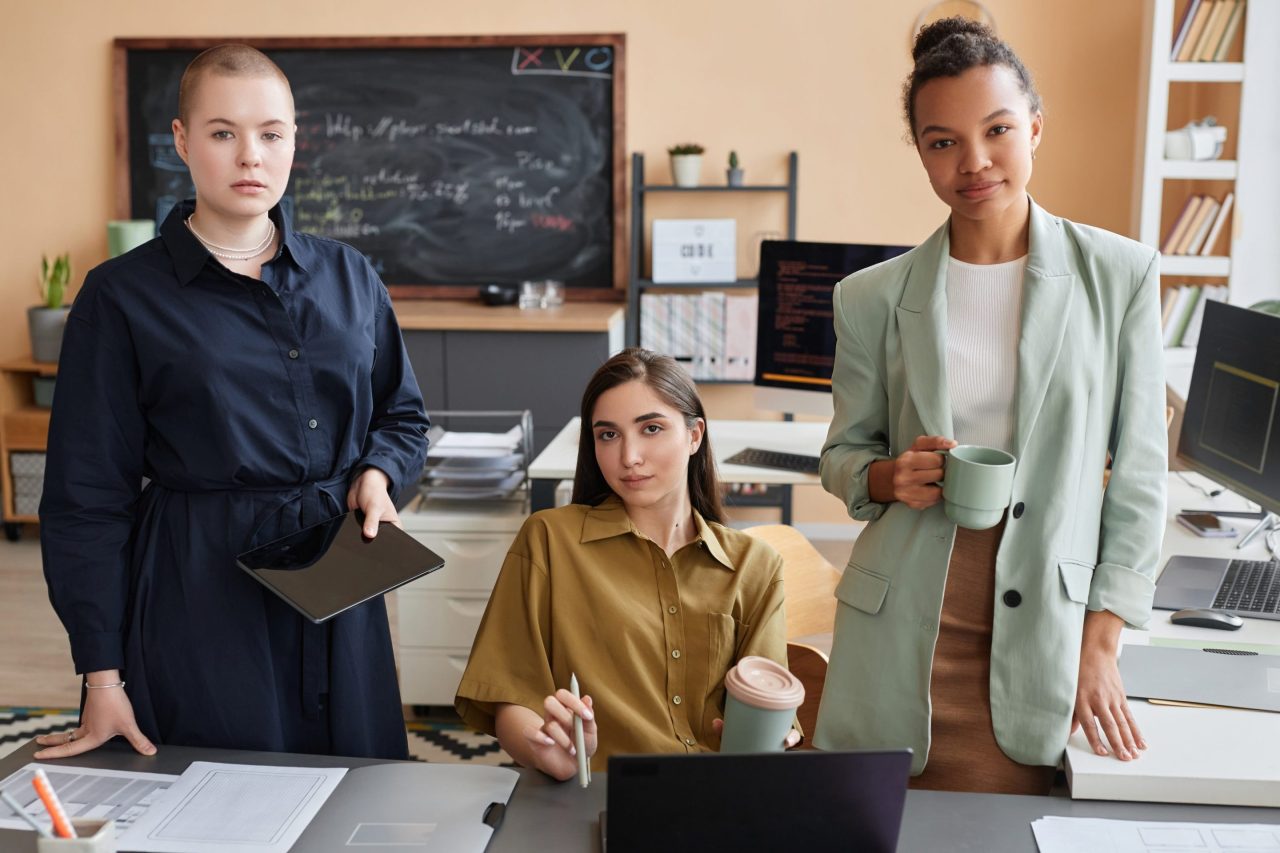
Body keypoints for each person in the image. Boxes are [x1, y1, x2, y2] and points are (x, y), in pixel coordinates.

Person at [36, 45, 429, 762]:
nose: (251, 155)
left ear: (294, 140)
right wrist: (100, 672)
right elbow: (86, 495)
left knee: (357, 795)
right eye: (223, 133)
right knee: (218, 800)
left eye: (271, 133)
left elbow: (401, 417)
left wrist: (378, 474)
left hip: (338, 582)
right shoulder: (120, 296)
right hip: (197, 586)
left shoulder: (350, 275)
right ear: (182, 141)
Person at [813, 18, 1167, 794]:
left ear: (1034, 128)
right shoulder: (870, 297)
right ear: (921, 154)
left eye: (997, 130)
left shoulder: (1122, 276)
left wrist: (1101, 642)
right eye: (942, 142)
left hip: (1042, 629)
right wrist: (886, 478)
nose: (973, 162)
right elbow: (841, 456)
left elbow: (1141, 478)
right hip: (897, 631)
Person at [454, 348, 798, 780]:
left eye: (651, 428)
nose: (629, 457)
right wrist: (547, 751)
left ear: (694, 436)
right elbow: (509, 702)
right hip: (596, 794)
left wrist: (770, 736)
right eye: (608, 435)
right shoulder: (549, 540)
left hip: (717, 797)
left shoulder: (755, 566)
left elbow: (770, 705)